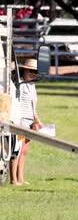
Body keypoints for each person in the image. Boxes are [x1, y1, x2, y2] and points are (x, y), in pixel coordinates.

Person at [10, 58, 42, 186]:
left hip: (29, 121)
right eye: (30, 70)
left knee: (24, 151)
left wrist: (37, 120)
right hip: (20, 120)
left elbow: (32, 106)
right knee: (17, 150)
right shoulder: (20, 85)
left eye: (35, 71)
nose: (32, 73)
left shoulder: (32, 86)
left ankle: (21, 178)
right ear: (24, 70)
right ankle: (14, 179)